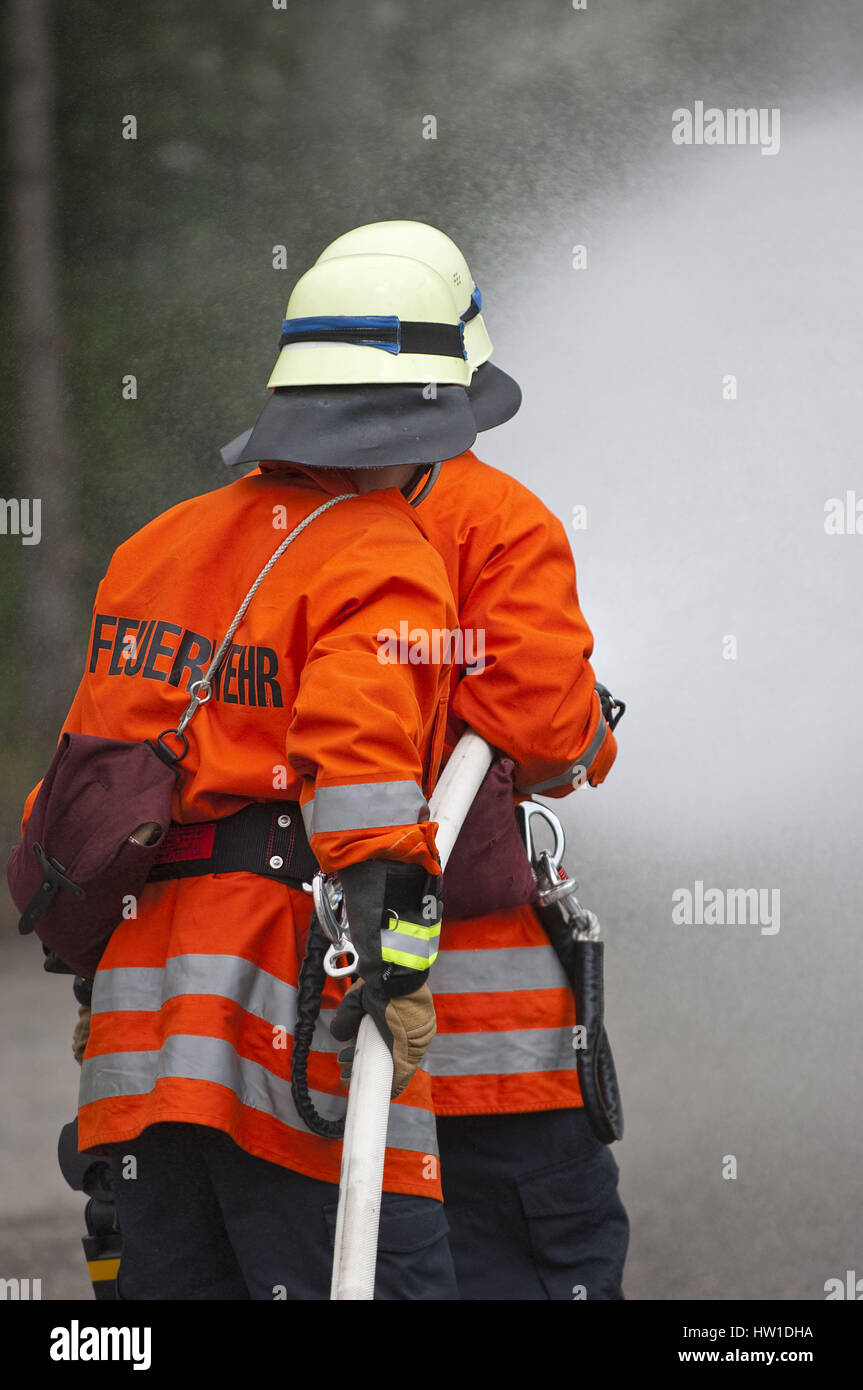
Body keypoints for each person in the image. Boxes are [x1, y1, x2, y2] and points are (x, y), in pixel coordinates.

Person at [16, 252, 475, 1300]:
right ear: (417, 433)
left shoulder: (156, 545)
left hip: (138, 1032)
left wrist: (96, 982)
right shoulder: (380, 552)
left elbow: (74, 798)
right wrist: (397, 974)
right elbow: (360, 785)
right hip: (292, 1021)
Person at [226, 222, 630, 1300]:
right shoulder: (492, 520)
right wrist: (594, 730)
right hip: (482, 1049)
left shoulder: (231, 530)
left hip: (285, 1025)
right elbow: (544, 732)